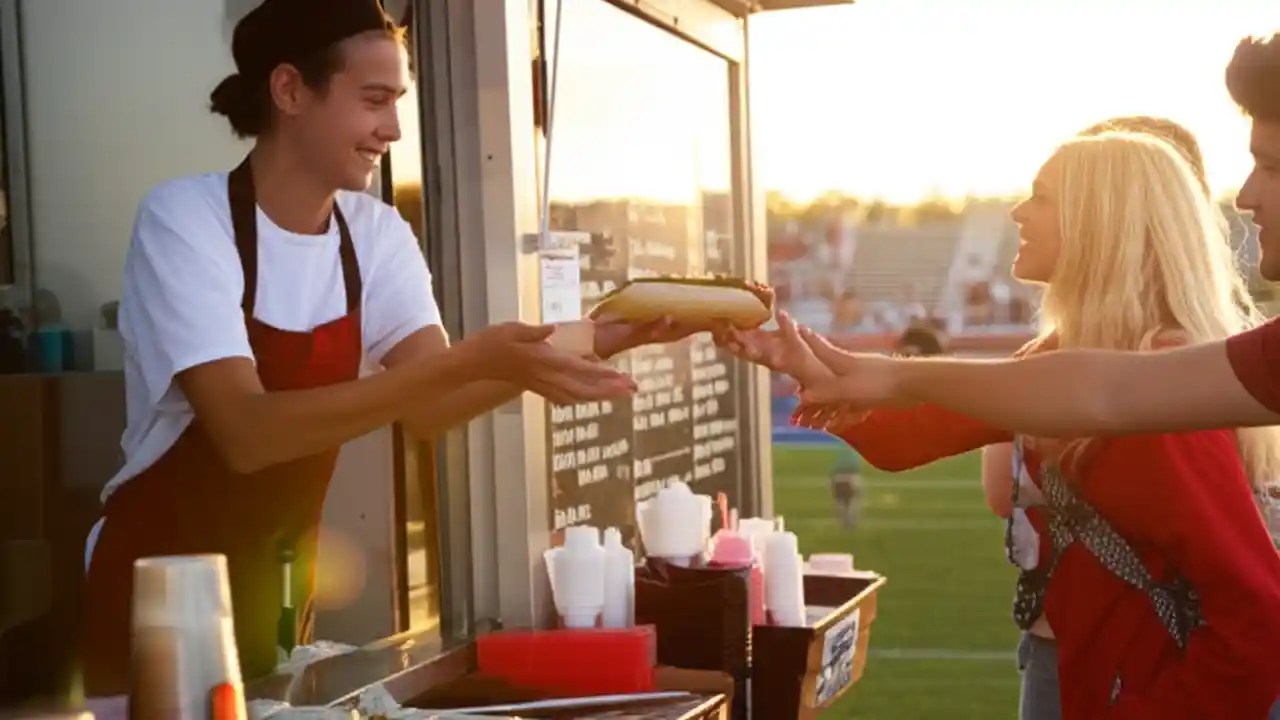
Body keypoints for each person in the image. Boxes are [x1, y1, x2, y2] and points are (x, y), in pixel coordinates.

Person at [80, 0, 706, 694]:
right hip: (156, 605)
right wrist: (474, 359)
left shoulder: (373, 234)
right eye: (373, 100)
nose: (394, 128)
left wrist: (600, 338)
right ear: (289, 91)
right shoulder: (186, 219)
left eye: (398, 102)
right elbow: (245, 432)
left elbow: (435, 406)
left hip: (278, 600)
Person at [725, 132, 1280, 717]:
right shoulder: (1060, 355)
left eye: (1042, 196)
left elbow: (1259, 614)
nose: (1018, 211)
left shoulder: (1160, 386)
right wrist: (809, 365)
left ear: (1101, 222)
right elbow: (915, 433)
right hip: (1087, 675)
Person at [790, 33, 1280, 441]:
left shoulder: (1163, 360)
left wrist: (890, 374)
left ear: (1101, 224)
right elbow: (1099, 395)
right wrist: (828, 374)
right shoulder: (1069, 356)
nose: (1245, 197)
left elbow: (1106, 398)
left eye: (1273, 168)